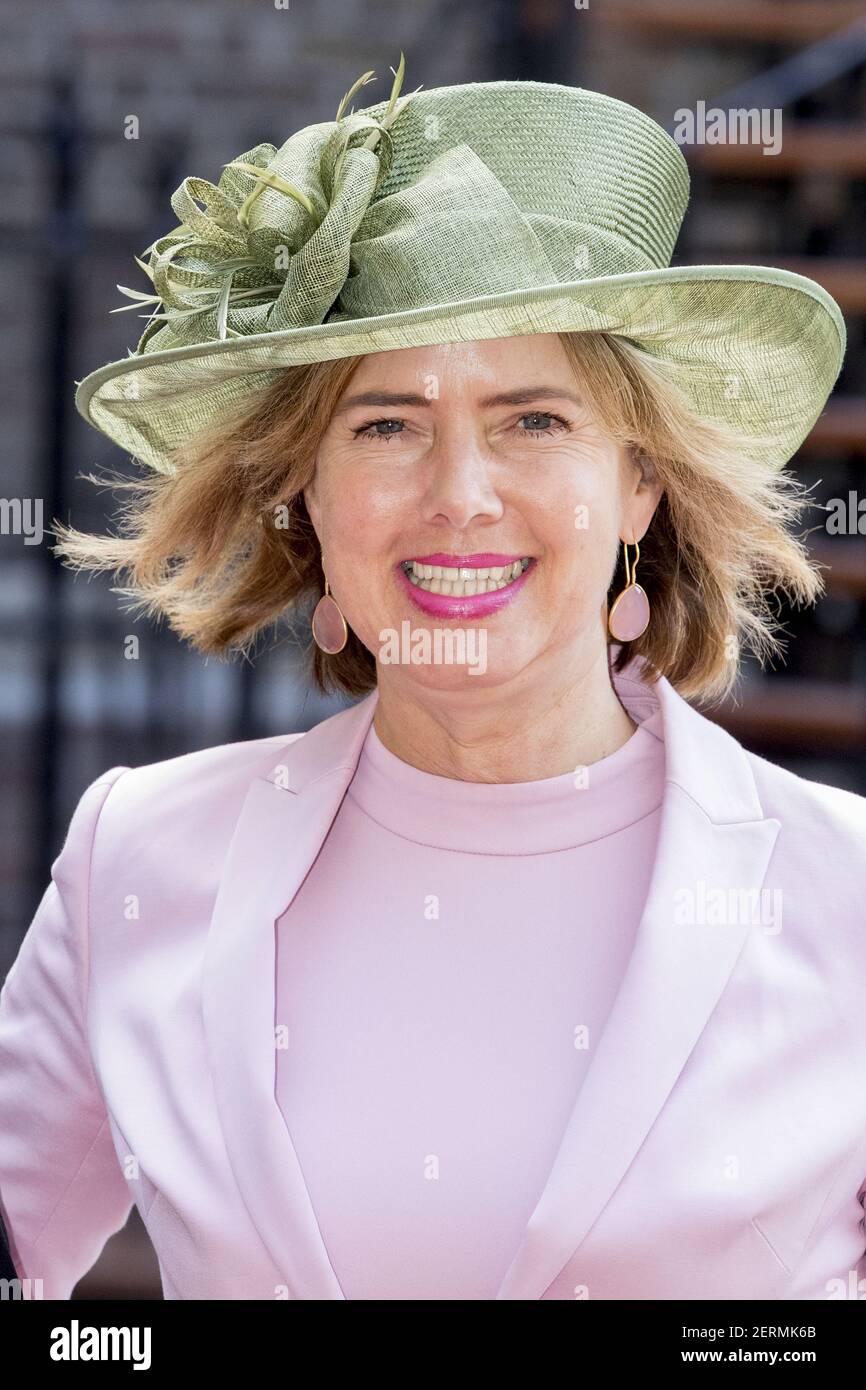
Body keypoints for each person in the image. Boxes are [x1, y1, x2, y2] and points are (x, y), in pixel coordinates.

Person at [0, 59, 863, 1302]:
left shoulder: (843, 897)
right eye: (385, 423)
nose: (460, 495)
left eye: (534, 420)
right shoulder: (133, 862)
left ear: (640, 484)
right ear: (304, 496)